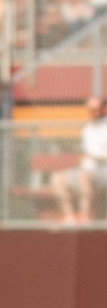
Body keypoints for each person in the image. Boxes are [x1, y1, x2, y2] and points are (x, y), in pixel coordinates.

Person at [52, 96, 107, 224]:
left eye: (96, 109)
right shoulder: (88, 127)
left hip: (103, 172)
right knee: (58, 178)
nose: (92, 112)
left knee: (84, 177)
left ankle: (85, 216)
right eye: (90, 109)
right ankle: (70, 217)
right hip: (87, 170)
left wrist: (95, 157)